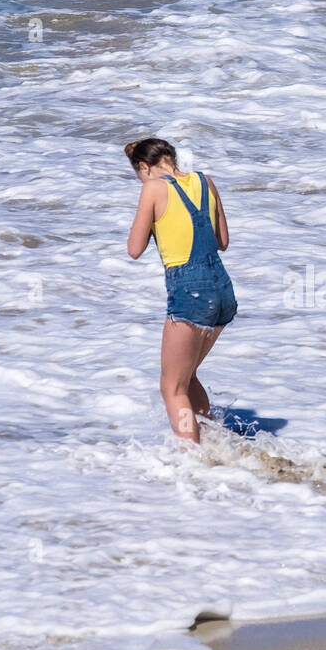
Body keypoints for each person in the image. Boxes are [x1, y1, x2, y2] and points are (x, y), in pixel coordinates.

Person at [125, 137, 236, 443]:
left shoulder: (153, 187)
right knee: (185, 378)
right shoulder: (205, 181)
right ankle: (213, 441)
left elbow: (134, 249)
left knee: (171, 387)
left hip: (190, 292)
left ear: (145, 167)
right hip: (223, 291)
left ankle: (191, 458)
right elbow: (222, 242)